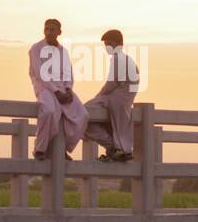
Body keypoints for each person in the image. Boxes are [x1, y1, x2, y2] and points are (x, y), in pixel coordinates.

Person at [28, 18, 88, 160]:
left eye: (52, 29)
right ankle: (40, 149)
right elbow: (40, 73)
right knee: (49, 112)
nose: (48, 32)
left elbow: (68, 73)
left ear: (59, 32)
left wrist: (68, 89)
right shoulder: (36, 49)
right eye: (46, 29)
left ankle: (62, 148)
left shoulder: (63, 51)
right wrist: (56, 91)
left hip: (63, 89)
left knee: (83, 115)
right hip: (44, 87)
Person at [83, 29, 138, 162]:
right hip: (125, 100)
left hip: (114, 99)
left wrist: (98, 96)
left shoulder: (118, 59)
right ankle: (118, 150)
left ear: (118, 44)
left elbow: (111, 84)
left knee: (82, 113)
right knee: (116, 127)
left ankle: (112, 147)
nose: (107, 48)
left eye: (109, 44)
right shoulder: (128, 60)